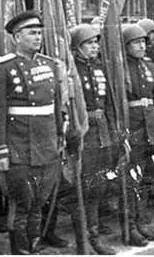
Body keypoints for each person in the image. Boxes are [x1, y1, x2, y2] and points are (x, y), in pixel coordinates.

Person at [0, 11, 65, 255]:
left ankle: (33, 247)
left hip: (47, 148)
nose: (37, 37)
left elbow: (57, 107)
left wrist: (60, 137)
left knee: (39, 204)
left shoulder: (50, 65)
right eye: (31, 33)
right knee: (22, 206)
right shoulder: (3, 68)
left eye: (39, 33)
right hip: (19, 149)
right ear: (16, 37)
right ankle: (20, 252)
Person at [69, 23, 116, 255]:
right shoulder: (72, 70)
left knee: (97, 187)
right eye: (90, 43)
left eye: (96, 42)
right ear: (77, 47)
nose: (95, 46)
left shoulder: (98, 68)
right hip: (83, 134)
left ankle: (94, 233)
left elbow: (106, 102)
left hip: (102, 133)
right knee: (82, 188)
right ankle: (84, 240)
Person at [122, 24, 154, 244]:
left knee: (148, 177)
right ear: (126, 46)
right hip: (134, 127)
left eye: (143, 42)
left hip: (152, 128)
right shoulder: (120, 68)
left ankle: (143, 222)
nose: (142, 46)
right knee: (132, 179)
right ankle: (130, 226)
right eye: (136, 42)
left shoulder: (150, 66)